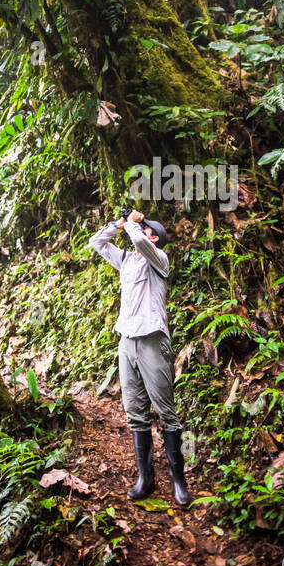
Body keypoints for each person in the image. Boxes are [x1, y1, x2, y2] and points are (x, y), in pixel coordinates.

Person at [88, 208, 190, 507]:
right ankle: (146, 478)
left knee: (166, 412)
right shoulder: (127, 261)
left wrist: (133, 226)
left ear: (154, 237)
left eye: (144, 227)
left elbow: (142, 245)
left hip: (153, 341)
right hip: (127, 341)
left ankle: (178, 480)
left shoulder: (159, 259)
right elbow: (97, 243)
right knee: (135, 412)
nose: (137, 229)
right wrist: (117, 225)